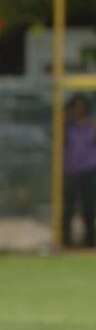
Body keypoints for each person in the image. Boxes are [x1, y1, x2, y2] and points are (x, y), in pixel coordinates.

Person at [63, 94, 96, 248]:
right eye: (76, 107)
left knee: (88, 206)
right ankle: (66, 239)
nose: (79, 110)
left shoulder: (91, 125)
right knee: (68, 207)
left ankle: (89, 240)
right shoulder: (66, 126)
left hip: (88, 170)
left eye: (81, 107)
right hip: (71, 171)